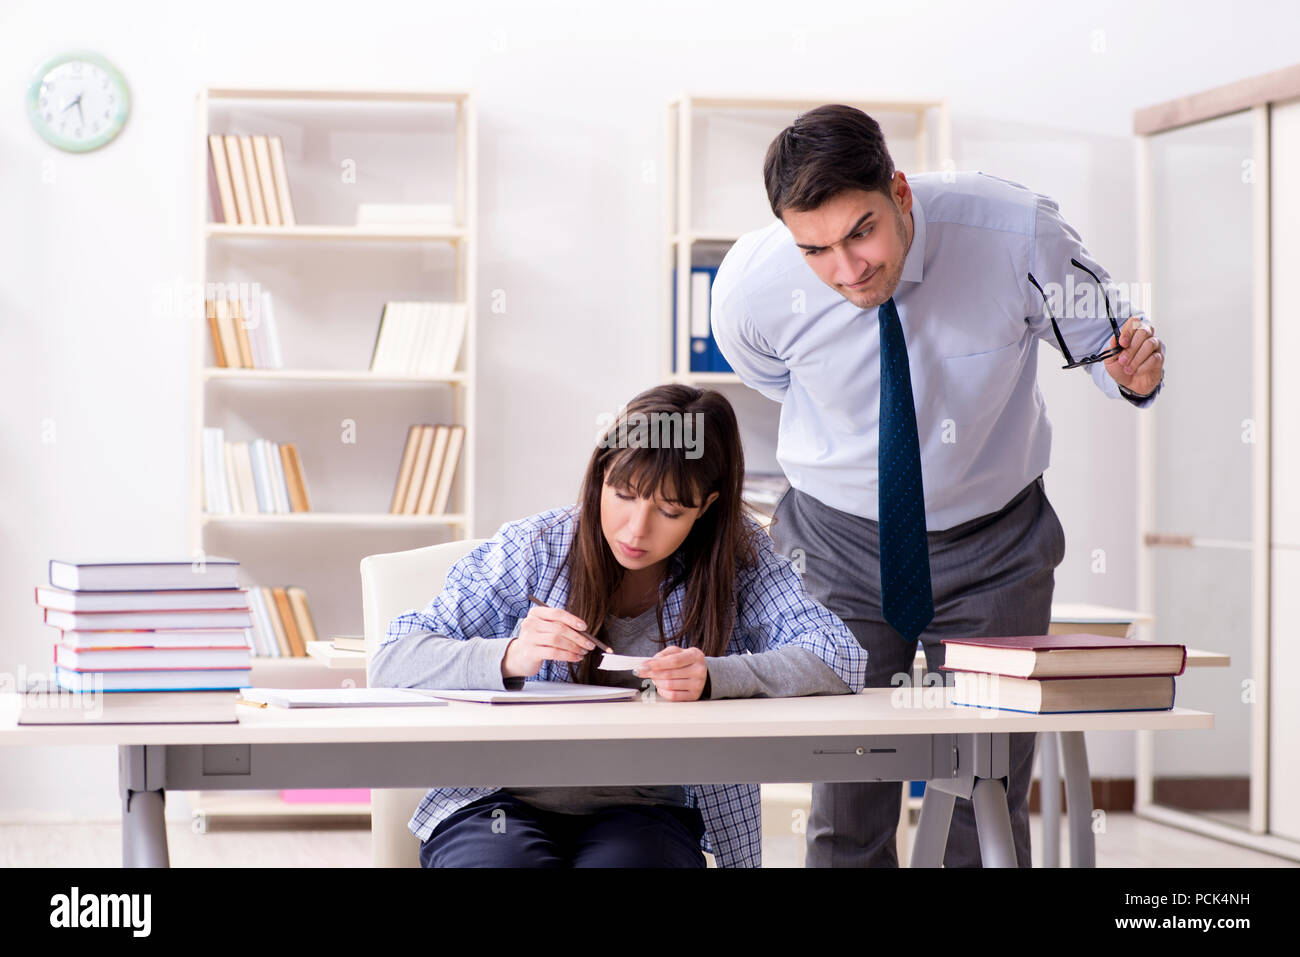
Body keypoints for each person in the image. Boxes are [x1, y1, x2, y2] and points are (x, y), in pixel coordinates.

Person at [710, 104, 1167, 868]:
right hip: (835, 543)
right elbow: (769, 377)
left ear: (900, 190)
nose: (847, 269)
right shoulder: (752, 286)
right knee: (847, 786)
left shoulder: (1018, 232)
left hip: (995, 544)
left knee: (986, 787)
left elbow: (1108, 345)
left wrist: (1132, 377)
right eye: (815, 249)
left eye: (862, 231)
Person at [371, 383, 867, 868]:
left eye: (670, 510)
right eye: (623, 494)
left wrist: (716, 676)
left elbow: (841, 657)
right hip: (499, 802)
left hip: (646, 811)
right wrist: (509, 655)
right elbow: (394, 656)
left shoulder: (739, 560)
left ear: (708, 505)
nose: (636, 529)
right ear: (602, 471)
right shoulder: (536, 546)